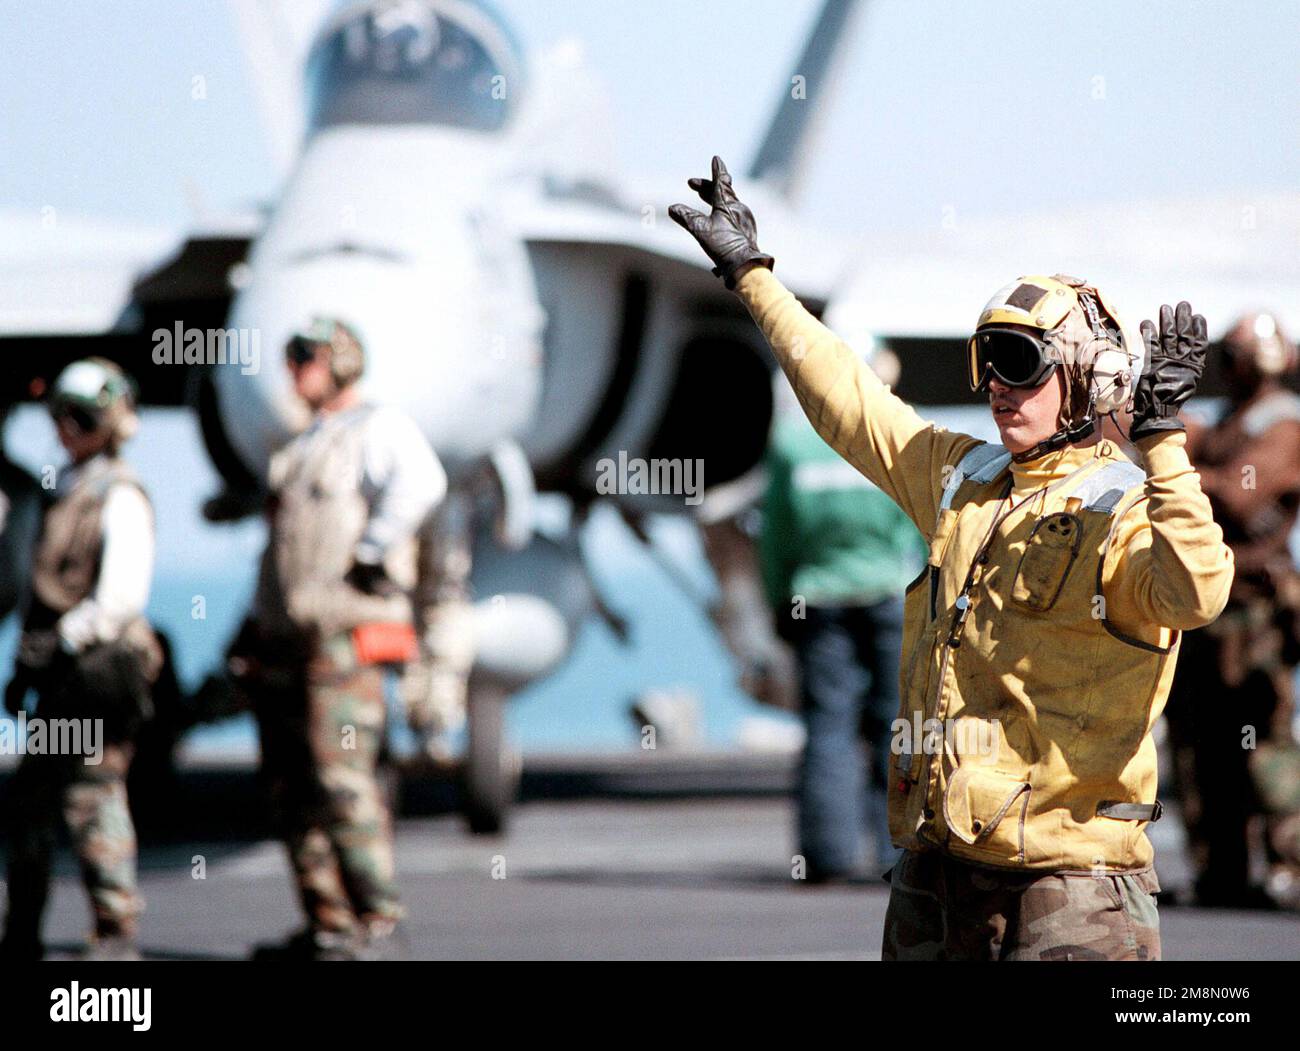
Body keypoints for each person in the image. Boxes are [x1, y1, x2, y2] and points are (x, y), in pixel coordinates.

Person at [671, 157, 1233, 960]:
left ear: (1088, 378)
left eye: (1022, 364)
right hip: (937, 875)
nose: (999, 387)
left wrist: (1163, 444)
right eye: (988, 362)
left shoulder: (1127, 507)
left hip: (1073, 888)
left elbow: (1196, 592)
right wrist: (753, 277)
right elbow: (851, 403)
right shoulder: (961, 477)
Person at [238, 318, 447, 961]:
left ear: (343, 363)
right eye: (291, 357)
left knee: (342, 779)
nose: (294, 370)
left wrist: (373, 550)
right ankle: (330, 924)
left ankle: (378, 922)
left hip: (344, 638)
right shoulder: (303, 447)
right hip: (287, 640)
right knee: (290, 786)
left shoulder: (376, 430)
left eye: (306, 357)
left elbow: (423, 483)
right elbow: (278, 554)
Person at [0, 359, 161, 961]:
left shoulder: (118, 495)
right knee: (31, 807)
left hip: (94, 674)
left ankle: (117, 932)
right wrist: (27, 665)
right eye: (59, 415)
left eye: (81, 416)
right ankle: (22, 932)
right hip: (56, 675)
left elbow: (119, 601)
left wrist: (60, 645)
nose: (67, 427)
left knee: (95, 796)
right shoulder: (64, 489)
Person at [760, 355, 925, 881]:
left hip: (818, 600)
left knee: (827, 724)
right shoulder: (894, 436)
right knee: (895, 726)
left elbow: (776, 537)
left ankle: (826, 855)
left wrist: (779, 600)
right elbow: (923, 528)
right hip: (889, 595)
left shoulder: (790, 444)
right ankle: (897, 851)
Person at [1167, 312, 1300, 908]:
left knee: (1261, 745)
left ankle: (1289, 866)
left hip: (1253, 617)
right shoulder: (1230, 422)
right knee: (1200, 746)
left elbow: (1243, 499)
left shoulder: (1282, 422)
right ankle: (1219, 871)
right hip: (1206, 609)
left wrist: (1178, 471)